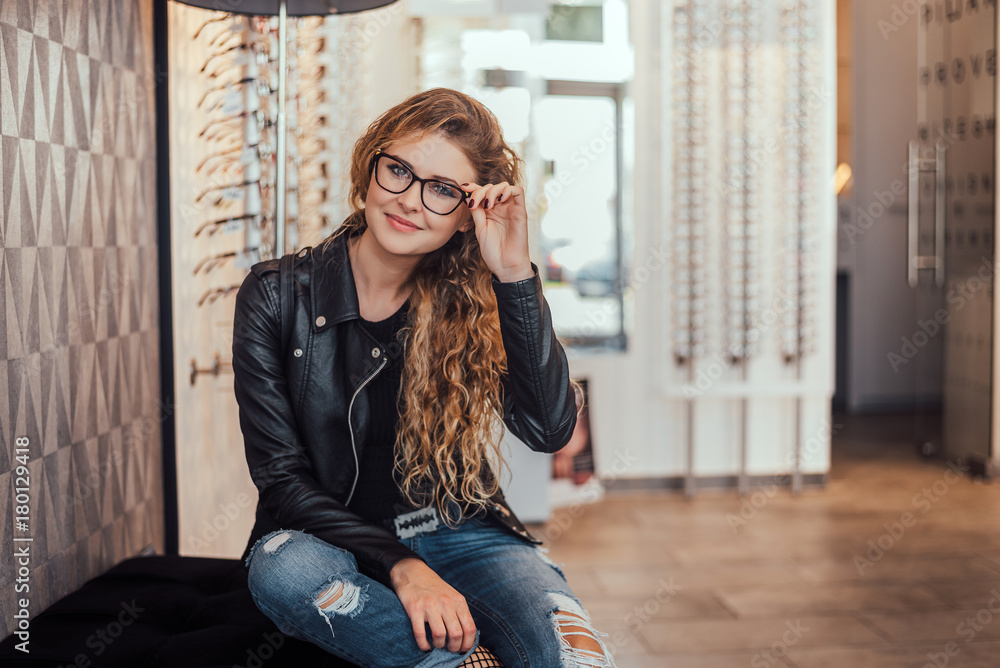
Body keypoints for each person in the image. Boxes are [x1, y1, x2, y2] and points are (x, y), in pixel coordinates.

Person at [232, 87, 615, 668]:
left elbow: (549, 429)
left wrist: (514, 275)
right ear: (371, 169)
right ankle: (465, 662)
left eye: (441, 189)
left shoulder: (478, 299)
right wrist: (402, 566)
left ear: (469, 214)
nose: (411, 200)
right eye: (400, 172)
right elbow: (282, 480)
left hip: (460, 528)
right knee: (282, 568)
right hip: (328, 542)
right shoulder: (275, 294)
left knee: (574, 654)